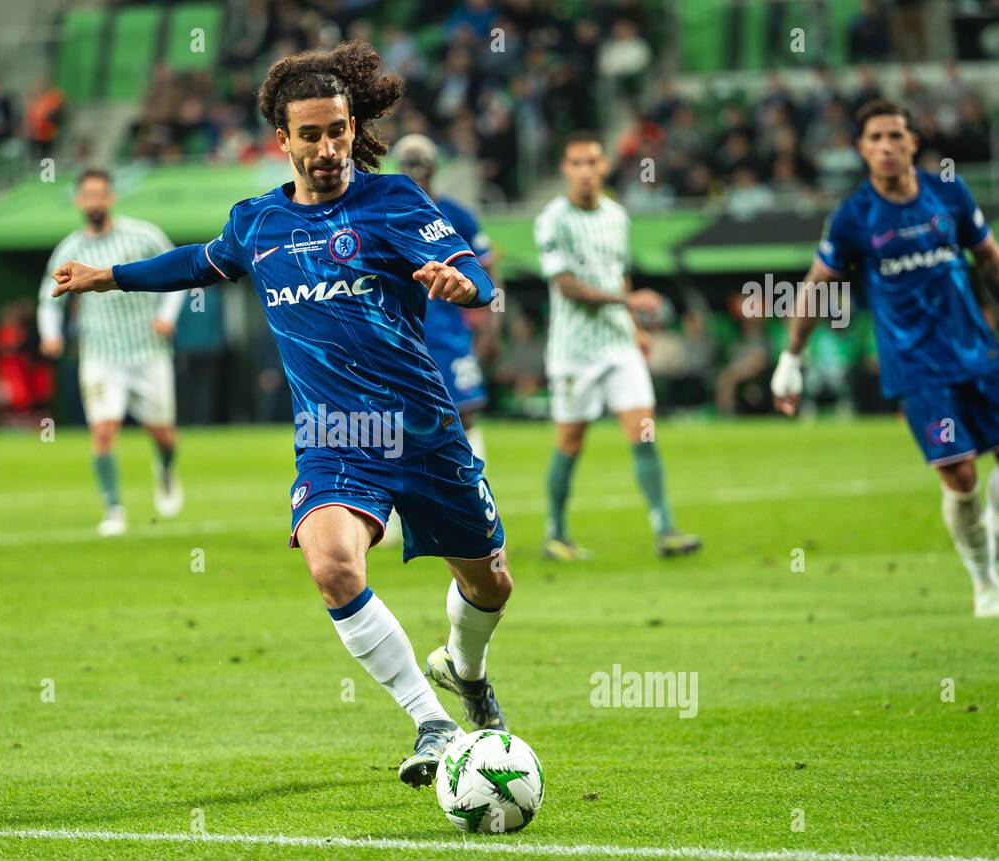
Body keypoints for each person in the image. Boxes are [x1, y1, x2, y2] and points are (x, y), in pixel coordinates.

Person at [50, 41, 511, 789]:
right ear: (283, 140)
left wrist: (463, 289)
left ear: (351, 124)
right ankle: (432, 720)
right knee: (331, 564)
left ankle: (469, 669)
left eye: (338, 130)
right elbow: (202, 260)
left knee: (491, 583)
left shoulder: (393, 200)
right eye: (312, 134)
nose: (328, 147)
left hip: (423, 428)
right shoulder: (258, 223)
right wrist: (112, 277)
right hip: (336, 436)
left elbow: (467, 273)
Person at [772, 99, 999, 617]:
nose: (886, 146)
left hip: (982, 355)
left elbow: (988, 259)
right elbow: (816, 287)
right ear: (860, 148)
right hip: (918, 372)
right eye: (874, 138)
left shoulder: (949, 193)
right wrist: (791, 358)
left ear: (913, 142)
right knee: (960, 475)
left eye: (896, 135)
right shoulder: (855, 216)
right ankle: (985, 580)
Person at [535, 132, 701, 560]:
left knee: (644, 433)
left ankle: (666, 530)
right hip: (573, 351)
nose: (585, 172)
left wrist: (634, 328)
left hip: (618, 347)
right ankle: (556, 534)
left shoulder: (618, 216)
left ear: (604, 166)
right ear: (565, 170)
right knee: (570, 441)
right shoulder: (552, 219)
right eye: (576, 164)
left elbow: (618, 275)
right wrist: (628, 302)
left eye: (592, 162)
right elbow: (567, 286)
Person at [37, 168, 186, 533]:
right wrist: (51, 333)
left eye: (100, 193)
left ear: (111, 197)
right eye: (87, 194)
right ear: (78, 200)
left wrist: (166, 315)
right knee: (103, 431)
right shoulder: (70, 249)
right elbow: (48, 298)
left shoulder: (142, 235)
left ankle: (165, 469)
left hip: (148, 351)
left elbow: (180, 272)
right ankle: (113, 509)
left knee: (163, 434)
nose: (94, 201)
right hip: (100, 355)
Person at [378, 132, 495, 547]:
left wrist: (490, 322)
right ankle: (388, 512)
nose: (415, 167)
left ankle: (473, 499)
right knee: (393, 420)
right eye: (408, 161)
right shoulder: (384, 212)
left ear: (434, 165)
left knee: (466, 413)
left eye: (421, 160)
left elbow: (487, 270)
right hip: (400, 334)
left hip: (448, 332)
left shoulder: (456, 215)